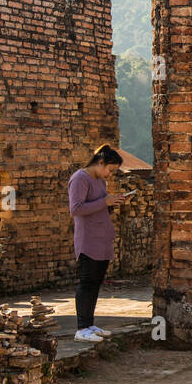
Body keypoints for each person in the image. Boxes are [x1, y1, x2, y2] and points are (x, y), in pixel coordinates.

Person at [67, 144, 131, 343]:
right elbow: (76, 209)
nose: (110, 175)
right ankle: (81, 327)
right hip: (88, 238)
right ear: (100, 163)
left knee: (96, 282)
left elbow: (99, 206)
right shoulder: (80, 178)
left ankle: (89, 323)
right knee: (87, 282)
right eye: (110, 170)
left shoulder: (100, 181)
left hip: (102, 236)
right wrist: (105, 202)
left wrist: (114, 202)